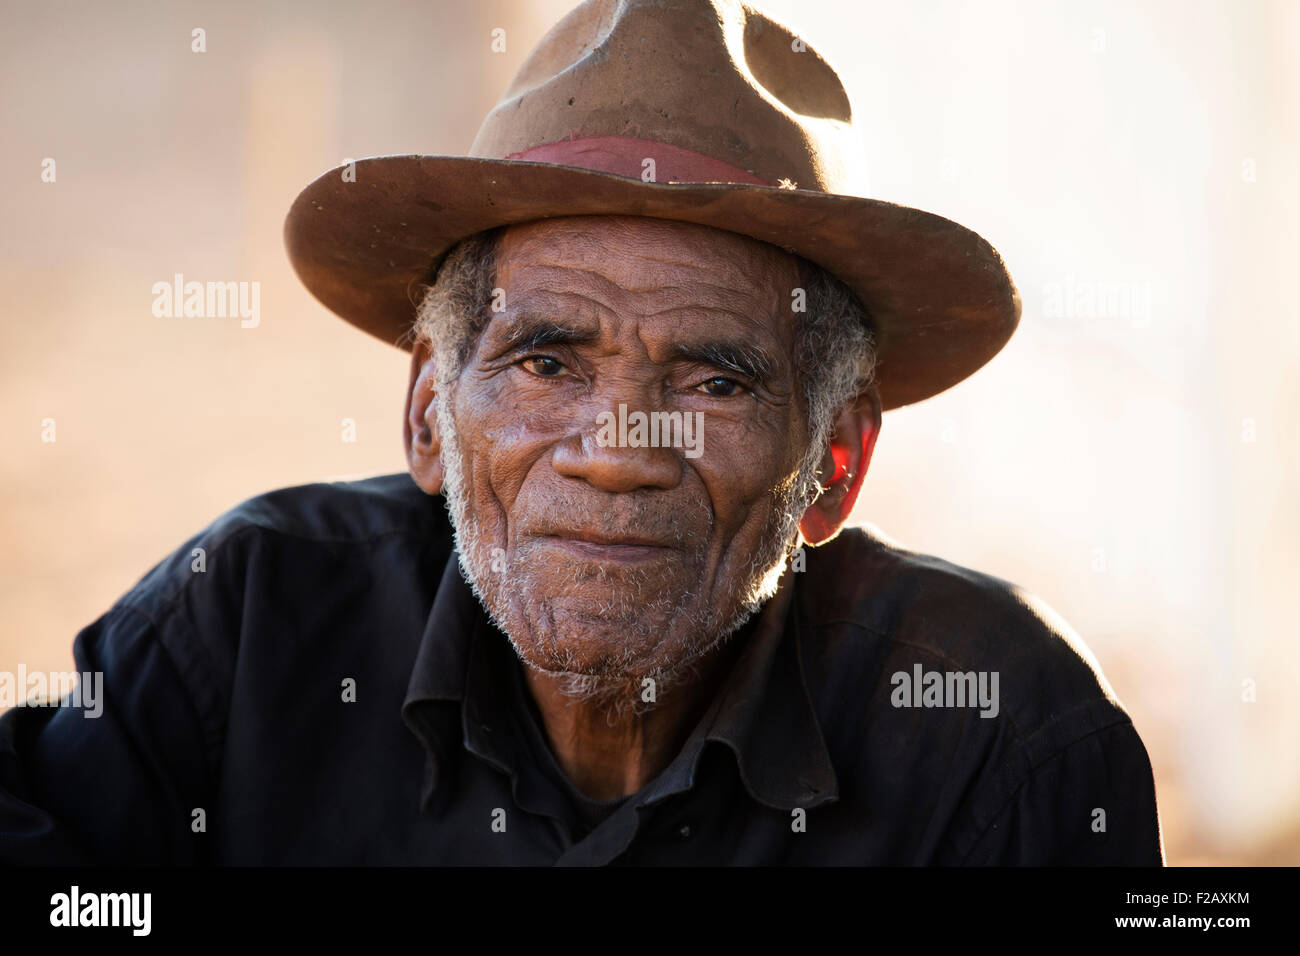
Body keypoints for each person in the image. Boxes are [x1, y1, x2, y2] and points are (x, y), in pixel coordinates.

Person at [0, 0, 1163, 865]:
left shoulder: (996, 746)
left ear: (833, 466)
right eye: (546, 360)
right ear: (426, 416)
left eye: (713, 380)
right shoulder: (251, 624)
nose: (613, 450)